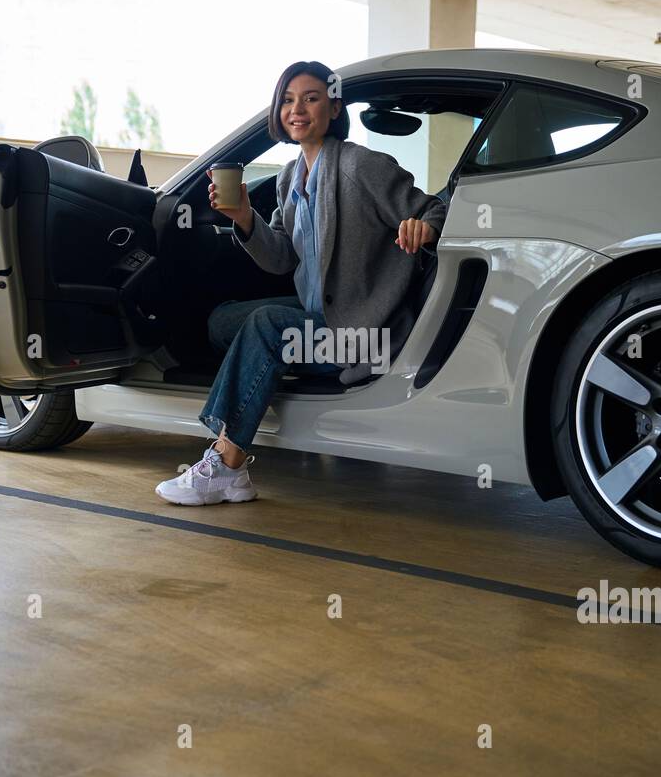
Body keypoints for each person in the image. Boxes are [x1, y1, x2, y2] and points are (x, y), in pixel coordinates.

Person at [155, 60, 447, 505]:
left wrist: (421, 228)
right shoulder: (291, 177)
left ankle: (226, 463)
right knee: (222, 322)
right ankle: (257, 380)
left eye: (311, 98)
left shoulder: (360, 166)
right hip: (320, 322)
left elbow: (434, 210)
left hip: (360, 337)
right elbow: (279, 260)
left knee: (266, 325)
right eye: (288, 100)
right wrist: (244, 218)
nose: (297, 109)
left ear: (333, 108)